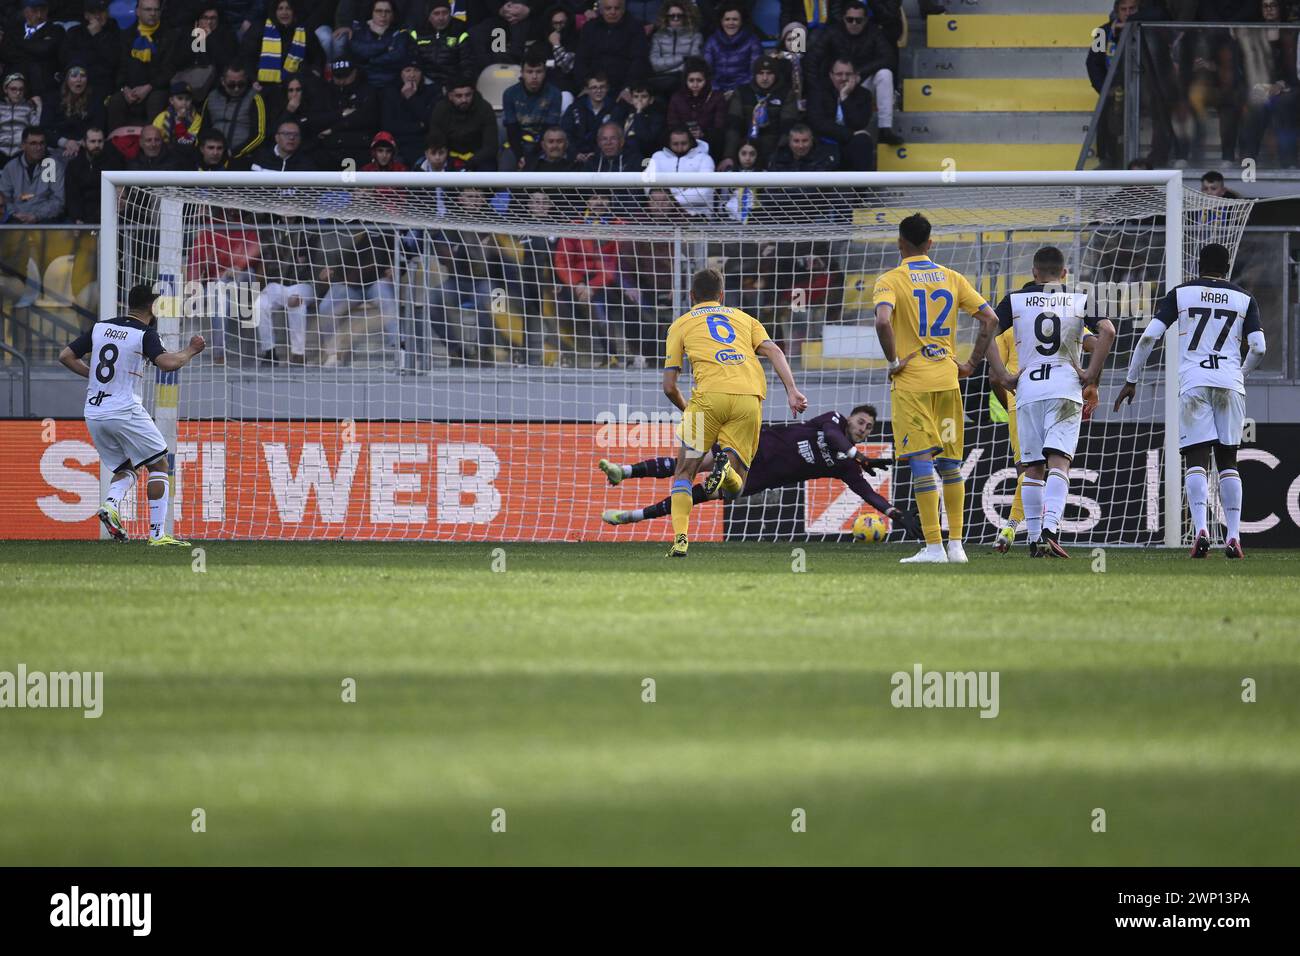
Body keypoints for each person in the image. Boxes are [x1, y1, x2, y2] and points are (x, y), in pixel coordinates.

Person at [1115, 243, 1267, 559]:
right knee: (1228, 460)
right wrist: (1239, 373)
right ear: (1228, 267)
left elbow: (1148, 337)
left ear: (1198, 265)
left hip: (1194, 383)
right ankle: (1234, 536)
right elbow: (1259, 347)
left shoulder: (1181, 294)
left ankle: (1200, 530)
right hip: (1228, 382)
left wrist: (1131, 379)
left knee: (1196, 459)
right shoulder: (1244, 299)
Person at [872, 213, 999, 564]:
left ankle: (932, 546)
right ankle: (957, 546)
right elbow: (990, 319)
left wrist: (893, 361)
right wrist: (971, 364)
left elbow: (883, 320)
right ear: (931, 243)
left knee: (921, 461)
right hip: (947, 380)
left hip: (912, 384)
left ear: (900, 243)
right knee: (950, 463)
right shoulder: (952, 278)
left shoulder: (890, 280)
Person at [658, 267, 807, 557]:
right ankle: (725, 471)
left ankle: (680, 539)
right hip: (747, 399)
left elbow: (668, 386)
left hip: (707, 401)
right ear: (721, 295)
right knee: (736, 490)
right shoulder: (743, 318)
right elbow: (774, 350)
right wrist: (792, 391)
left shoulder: (680, 324)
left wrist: (691, 412)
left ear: (691, 296)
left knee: (684, 473)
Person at [600, 405, 921, 537]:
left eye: (869, 428)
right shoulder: (834, 421)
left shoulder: (848, 466)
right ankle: (623, 471)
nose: (864, 428)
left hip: (762, 477)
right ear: (851, 418)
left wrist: (895, 513)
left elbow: (866, 492)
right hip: (756, 448)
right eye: (861, 422)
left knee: (703, 494)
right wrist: (858, 454)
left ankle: (633, 516)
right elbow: (836, 438)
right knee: (693, 464)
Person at [57, 283, 205, 547]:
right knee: (159, 464)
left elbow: (66, 356)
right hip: (124, 409)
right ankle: (158, 535)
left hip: (94, 412)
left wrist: (94, 377)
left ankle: (110, 505)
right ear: (151, 306)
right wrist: (191, 350)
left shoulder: (100, 327)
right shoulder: (145, 333)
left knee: (127, 469)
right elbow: (167, 364)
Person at [993, 247, 1115, 558]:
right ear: (1064, 274)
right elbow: (1107, 332)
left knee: (1032, 468)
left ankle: (1034, 538)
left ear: (1033, 273)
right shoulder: (1078, 299)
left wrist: (1003, 375)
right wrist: (1090, 375)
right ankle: (1050, 526)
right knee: (1059, 462)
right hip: (1064, 388)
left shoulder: (1015, 300)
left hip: (1028, 390)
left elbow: (985, 330)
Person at [807, 1, 903, 145]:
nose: (853, 23)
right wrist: (815, 87)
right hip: (834, 81)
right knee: (799, 41)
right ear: (843, 18)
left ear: (865, 20)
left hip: (861, 80)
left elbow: (889, 57)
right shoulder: (831, 31)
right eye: (849, 19)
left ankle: (885, 129)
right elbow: (811, 59)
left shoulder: (874, 31)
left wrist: (860, 74)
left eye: (858, 20)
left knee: (885, 74)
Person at [722, 55, 795, 170]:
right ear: (754, 75)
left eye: (769, 73)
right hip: (747, 151)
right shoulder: (742, 92)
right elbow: (733, 127)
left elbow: (787, 128)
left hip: (774, 148)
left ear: (775, 75)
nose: (765, 78)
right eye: (761, 73)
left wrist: (777, 155)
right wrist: (729, 155)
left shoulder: (786, 94)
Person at [305, 58, 376, 170]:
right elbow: (314, 119)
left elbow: (365, 118)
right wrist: (341, 114)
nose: (342, 81)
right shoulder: (324, 92)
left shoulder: (367, 91)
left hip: (358, 149)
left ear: (355, 72)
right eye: (338, 77)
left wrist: (332, 128)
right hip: (328, 150)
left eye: (346, 76)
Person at [807, 57, 876, 170]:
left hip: (850, 144)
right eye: (839, 74)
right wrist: (849, 134)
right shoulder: (819, 92)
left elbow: (859, 123)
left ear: (855, 75)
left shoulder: (864, 94)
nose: (844, 78)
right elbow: (818, 122)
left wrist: (845, 97)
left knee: (863, 141)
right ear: (831, 75)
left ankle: (860, 187)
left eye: (848, 74)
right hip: (824, 141)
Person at [574, 0, 650, 101]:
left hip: (623, 87)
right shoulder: (590, 28)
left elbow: (639, 60)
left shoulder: (635, 28)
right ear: (601, 10)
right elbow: (581, 59)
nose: (613, 12)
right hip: (593, 86)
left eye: (617, 8)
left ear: (623, 10)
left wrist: (628, 88)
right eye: (608, 8)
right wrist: (585, 86)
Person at [502, 48, 563, 169]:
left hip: (544, 145)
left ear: (545, 72)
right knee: (506, 163)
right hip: (518, 143)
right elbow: (512, 129)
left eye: (538, 71)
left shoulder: (555, 94)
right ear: (522, 73)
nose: (534, 76)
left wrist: (531, 157)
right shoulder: (509, 94)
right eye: (529, 72)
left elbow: (549, 129)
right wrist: (520, 156)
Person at [197, 63, 267, 166]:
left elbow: (260, 135)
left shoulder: (255, 98)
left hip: (241, 158)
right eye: (231, 85)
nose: (236, 89)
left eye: (241, 84)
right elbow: (203, 128)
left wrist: (236, 153)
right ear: (223, 82)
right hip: (212, 156)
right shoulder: (211, 97)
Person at [427, 75, 497, 170]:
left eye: (468, 95)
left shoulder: (485, 108)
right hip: (449, 158)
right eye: (458, 96)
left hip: (480, 158)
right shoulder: (440, 109)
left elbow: (490, 146)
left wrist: (471, 162)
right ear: (450, 96)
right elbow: (437, 141)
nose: (464, 100)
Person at [380, 57, 439, 166]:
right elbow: (388, 125)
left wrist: (411, 99)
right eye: (408, 70)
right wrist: (419, 126)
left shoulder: (431, 91)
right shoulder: (390, 92)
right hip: (397, 144)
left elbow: (430, 122)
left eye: (416, 71)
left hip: (421, 145)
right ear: (401, 73)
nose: (412, 75)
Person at [0, 0, 65, 98]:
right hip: (12, 82)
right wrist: (34, 49)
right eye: (34, 10)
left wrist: (19, 43)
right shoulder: (14, 29)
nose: (39, 15)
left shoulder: (56, 29)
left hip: (40, 86)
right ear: (25, 12)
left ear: (47, 10)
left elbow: (44, 49)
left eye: (42, 10)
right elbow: (5, 53)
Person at [666, 57, 725, 162]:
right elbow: (672, 123)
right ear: (685, 80)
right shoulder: (677, 97)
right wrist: (686, 134)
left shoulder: (717, 97)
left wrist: (703, 134)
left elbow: (720, 126)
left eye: (699, 80)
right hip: (682, 144)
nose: (695, 84)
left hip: (709, 144)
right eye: (691, 80)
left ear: (706, 80)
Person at [0, 126, 63, 223]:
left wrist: (37, 216)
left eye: (42, 143)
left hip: (45, 220)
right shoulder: (10, 167)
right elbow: (4, 199)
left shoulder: (54, 166)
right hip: (15, 219)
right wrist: (14, 214)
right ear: (23, 145)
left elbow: (58, 200)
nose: (38, 148)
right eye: (33, 143)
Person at [647, 126, 714, 216]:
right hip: (662, 214)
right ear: (668, 143)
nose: (680, 147)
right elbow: (648, 184)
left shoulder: (705, 159)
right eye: (675, 144)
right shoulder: (657, 157)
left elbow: (705, 192)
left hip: (697, 215)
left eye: (684, 143)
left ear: (691, 141)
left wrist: (672, 200)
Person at [60, 0, 122, 98]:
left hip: (104, 84)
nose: (98, 16)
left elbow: (114, 60)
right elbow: (66, 60)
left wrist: (98, 35)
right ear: (86, 15)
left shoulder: (115, 32)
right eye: (93, 13)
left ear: (107, 13)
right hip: (79, 81)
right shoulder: (74, 33)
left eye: (101, 12)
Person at [563, 71, 629, 162]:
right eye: (594, 87)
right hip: (576, 159)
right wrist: (575, 153)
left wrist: (597, 153)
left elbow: (618, 136)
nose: (598, 91)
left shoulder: (615, 109)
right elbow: (566, 133)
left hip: (605, 158)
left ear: (607, 88)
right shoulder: (575, 107)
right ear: (587, 89)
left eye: (602, 87)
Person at [407, 0, 468, 92]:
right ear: (429, 16)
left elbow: (467, 65)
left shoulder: (460, 32)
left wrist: (456, 86)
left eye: (445, 13)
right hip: (424, 85)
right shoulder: (418, 33)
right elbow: (412, 62)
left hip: (451, 86)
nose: (441, 17)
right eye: (436, 13)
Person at [701, 3, 761, 96]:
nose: (731, 23)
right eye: (727, 19)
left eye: (735, 19)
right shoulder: (712, 41)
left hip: (743, 91)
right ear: (721, 21)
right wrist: (717, 91)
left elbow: (754, 72)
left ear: (741, 22)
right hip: (716, 91)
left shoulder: (752, 41)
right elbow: (706, 71)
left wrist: (735, 91)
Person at [348, 0, 410, 89]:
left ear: (393, 14)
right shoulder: (359, 30)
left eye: (387, 11)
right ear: (372, 12)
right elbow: (359, 51)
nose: (383, 15)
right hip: (363, 82)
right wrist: (385, 46)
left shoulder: (401, 32)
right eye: (378, 11)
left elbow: (397, 56)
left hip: (391, 83)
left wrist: (370, 61)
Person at [648, 1, 702, 96]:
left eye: (679, 16)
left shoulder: (695, 35)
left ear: (686, 17)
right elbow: (655, 65)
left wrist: (671, 67)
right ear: (666, 17)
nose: (676, 18)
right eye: (672, 16)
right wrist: (682, 58)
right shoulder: (658, 36)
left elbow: (693, 63)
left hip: (683, 80)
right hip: (661, 79)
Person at [65, 125, 107, 223]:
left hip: (105, 216)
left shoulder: (112, 163)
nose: (97, 145)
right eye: (92, 141)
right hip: (80, 217)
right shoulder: (73, 165)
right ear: (84, 143)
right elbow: (71, 195)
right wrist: (77, 218)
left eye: (100, 141)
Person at [0, 73, 43, 165]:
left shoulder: (28, 107)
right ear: (5, 89)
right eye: (13, 89)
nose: (18, 93)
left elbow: (35, 128)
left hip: (20, 152)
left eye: (21, 89)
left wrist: (39, 107)